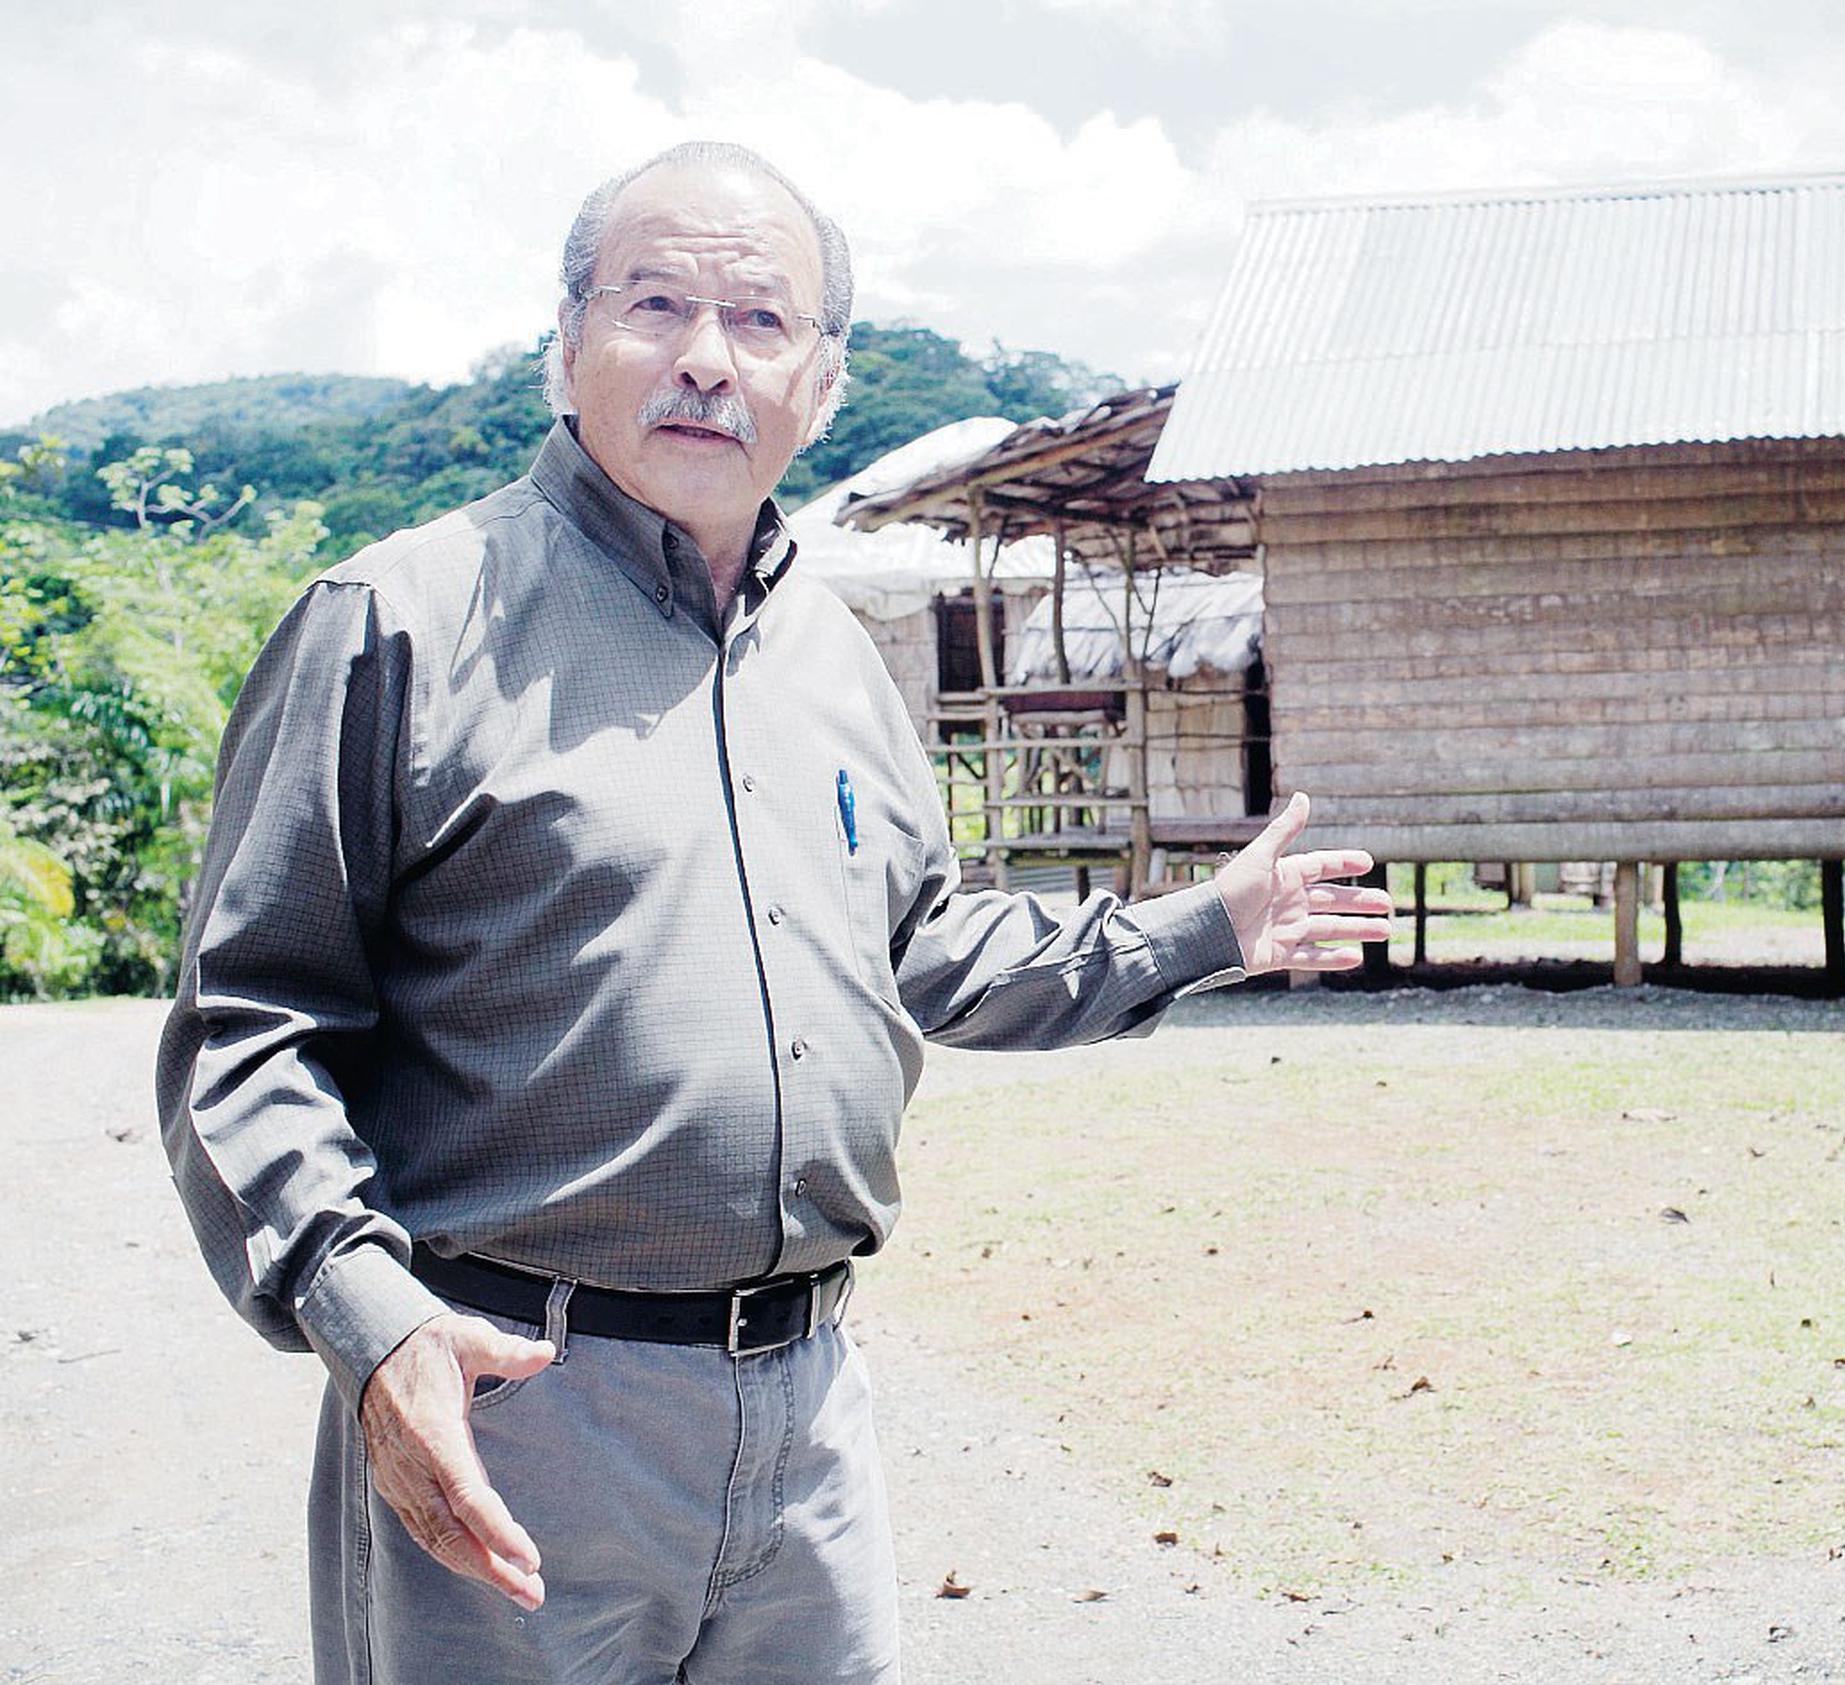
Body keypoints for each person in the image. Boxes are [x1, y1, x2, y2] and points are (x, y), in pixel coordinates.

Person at [156, 140, 1391, 1685]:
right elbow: (246, 1030)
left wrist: (1200, 928)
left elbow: (922, 946)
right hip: (514, 1400)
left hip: (808, 1411)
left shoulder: (831, 656)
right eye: (653, 302)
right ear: (565, 340)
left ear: (821, 373)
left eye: (757, 319)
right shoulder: (398, 622)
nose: (701, 358)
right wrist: (371, 1322)